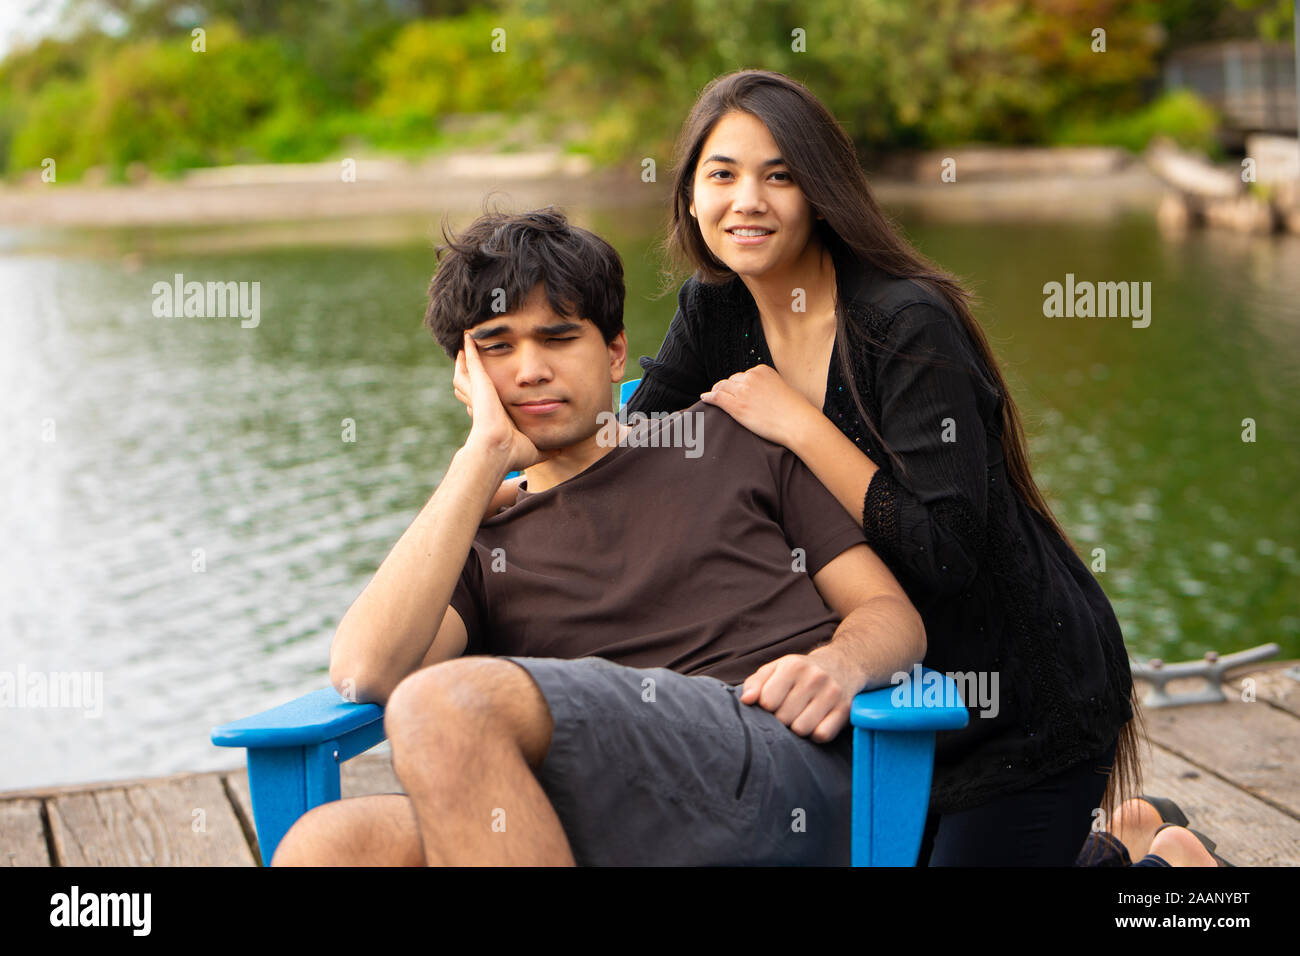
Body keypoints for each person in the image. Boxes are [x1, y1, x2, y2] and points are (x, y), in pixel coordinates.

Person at [271, 206, 927, 866]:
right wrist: (479, 459)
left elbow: (889, 614)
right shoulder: (475, 534)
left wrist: (840, 665)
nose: (529, 370)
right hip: (583, 809)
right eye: (496, 347)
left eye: (557, 338)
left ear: (615, 352)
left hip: (763, 760)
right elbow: (364, 673)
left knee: (445, 702)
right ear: (465, 377)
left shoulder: (731, 439)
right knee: (328, 847)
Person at [613, 68, 1145, 865]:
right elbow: (639, 451)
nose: (746, 201)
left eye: (779, 176)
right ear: (690, 194)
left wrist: (796, 423)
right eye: (721, 174)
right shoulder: (715, 307)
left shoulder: (903, 323)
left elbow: (944, 549)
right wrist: (509, 463)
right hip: (890, 698)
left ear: (822, 191)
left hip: (1024, 698)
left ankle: (1172, 871)